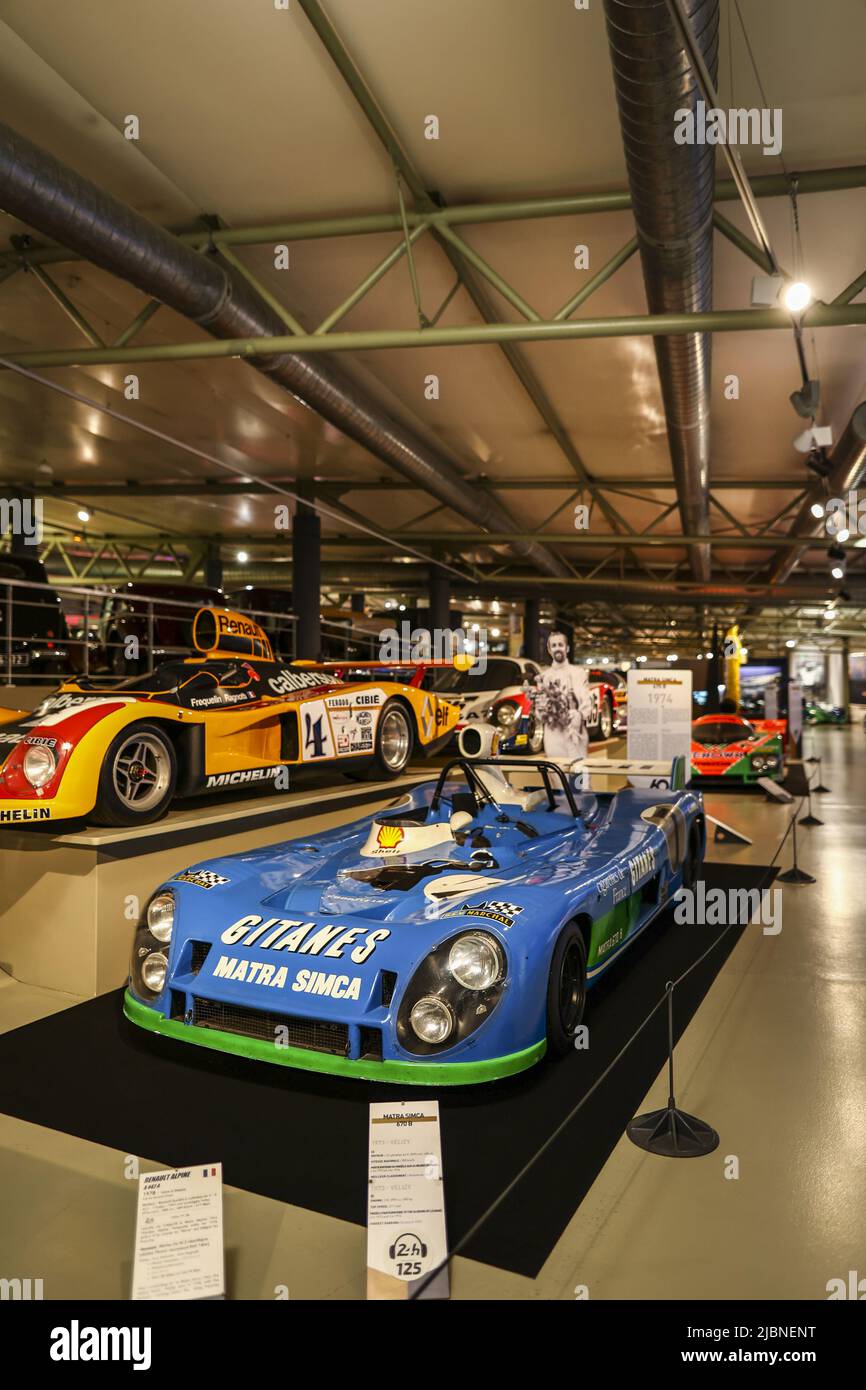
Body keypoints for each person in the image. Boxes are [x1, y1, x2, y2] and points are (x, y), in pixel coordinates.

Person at [536, 631, 593, 761]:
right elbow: (539, 709)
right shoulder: (544, 677)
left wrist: (578, 716)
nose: (557, 648)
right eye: (554, 645)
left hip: (575, 732)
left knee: (579, 774)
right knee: (556, 773)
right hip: (552, 734)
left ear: (567, 648)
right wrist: (543, 711)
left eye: (560, 645)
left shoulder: (579, 673)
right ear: (549, 650)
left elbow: (586, 702)